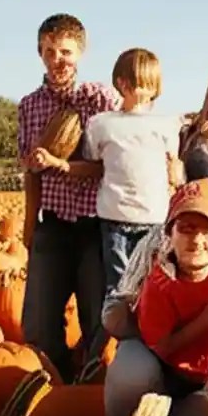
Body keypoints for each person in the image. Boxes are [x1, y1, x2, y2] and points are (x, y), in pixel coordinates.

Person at [17, 13, 119, 382]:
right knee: (39, 324)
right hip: (54, 225)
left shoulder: (100, 99)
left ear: (80, 53)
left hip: (97, 225)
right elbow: (32, 173)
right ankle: (55, 389)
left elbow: (109, 167)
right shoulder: (30, 106)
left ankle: (91, 392)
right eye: (48, 51)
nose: (56, 59)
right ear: (39, 53)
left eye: (65, 51)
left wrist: (61, 164)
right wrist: (30, 227)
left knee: (98, 321)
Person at [102, 178, 208, 416]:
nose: (197, 240)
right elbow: (164, 347)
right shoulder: (159, 283)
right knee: (133, 373)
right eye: (186, 229)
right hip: (159, 361)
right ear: (170, 234)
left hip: (197, 384)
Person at [78, 48, 184, 314]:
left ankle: (147, 342)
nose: (136, 89)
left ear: (154, 87)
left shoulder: (166, 125)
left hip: (154, 218)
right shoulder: (101, 123)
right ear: (119, 83)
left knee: (153, 284)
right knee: (117, 288)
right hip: (114, 217)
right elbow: (93, 161)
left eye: (145, 84)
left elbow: (173, 164)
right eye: (129, 81)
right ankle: (116, 345)